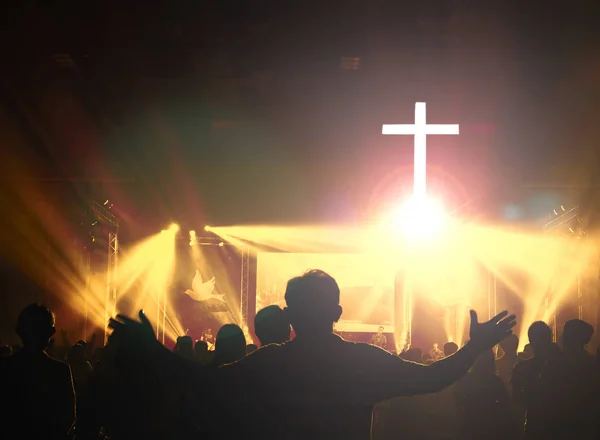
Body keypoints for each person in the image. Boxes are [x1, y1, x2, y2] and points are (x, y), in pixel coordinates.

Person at [109, 269, 516, 440]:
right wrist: (475, 348)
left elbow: (201, 381)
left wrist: (153, 351)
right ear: (337, 313)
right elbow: (434, 378)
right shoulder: (360, 363)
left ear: (289, 315)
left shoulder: (270, 363)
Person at [0, 304, 76, 439]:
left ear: (19, 331)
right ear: (51, 332)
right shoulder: (60, 372)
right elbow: (68, 417)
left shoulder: (5, 368)